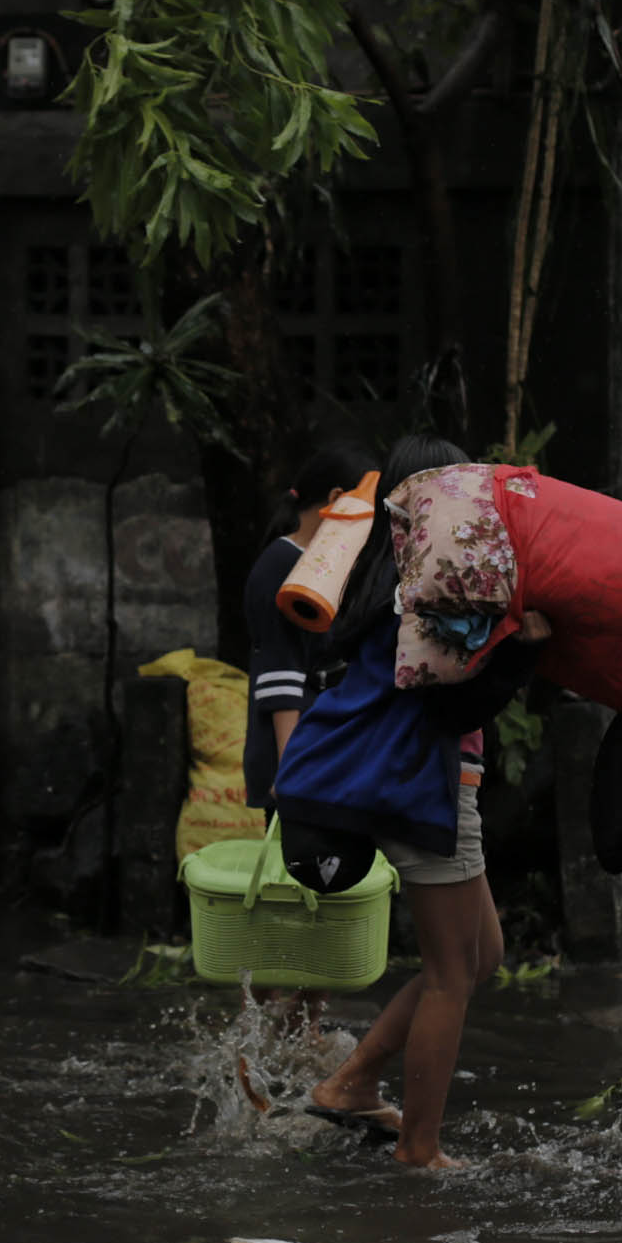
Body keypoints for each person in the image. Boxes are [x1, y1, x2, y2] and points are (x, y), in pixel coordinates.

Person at [293, 436, 546, 1171]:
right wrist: (523, 652)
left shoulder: (389, 576)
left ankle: (351, 1080)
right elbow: (446, 703)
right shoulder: (424, 583)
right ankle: (419, 1148)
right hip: (425, 783)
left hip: (426, 781)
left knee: (483, 954)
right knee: (450, 975)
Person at [241, 443, 373, 1038]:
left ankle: (298, 1028)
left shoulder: (331, 565)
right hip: (293, 753)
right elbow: (280, 678)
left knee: (321, 893)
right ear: (340, 502)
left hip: (324, 752)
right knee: (294, 893)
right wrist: (293, 771)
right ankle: (271, 1028)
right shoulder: (280, 565)